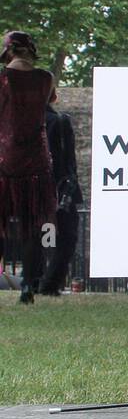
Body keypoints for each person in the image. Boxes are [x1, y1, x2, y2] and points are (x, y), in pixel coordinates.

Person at [0, 31, 57, 304]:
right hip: (36, 161)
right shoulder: (45, 79)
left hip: (3, 158)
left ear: (8, 51)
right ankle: (28, 285)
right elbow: (49, 104)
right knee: (33, 226)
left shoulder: (3, 78)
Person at [32, 84, 83, 295]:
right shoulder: (58, 121)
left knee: (39, 236)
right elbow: (68, 161)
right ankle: (50, 284)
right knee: (67, 236)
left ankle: (34, 281)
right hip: (57, 189)